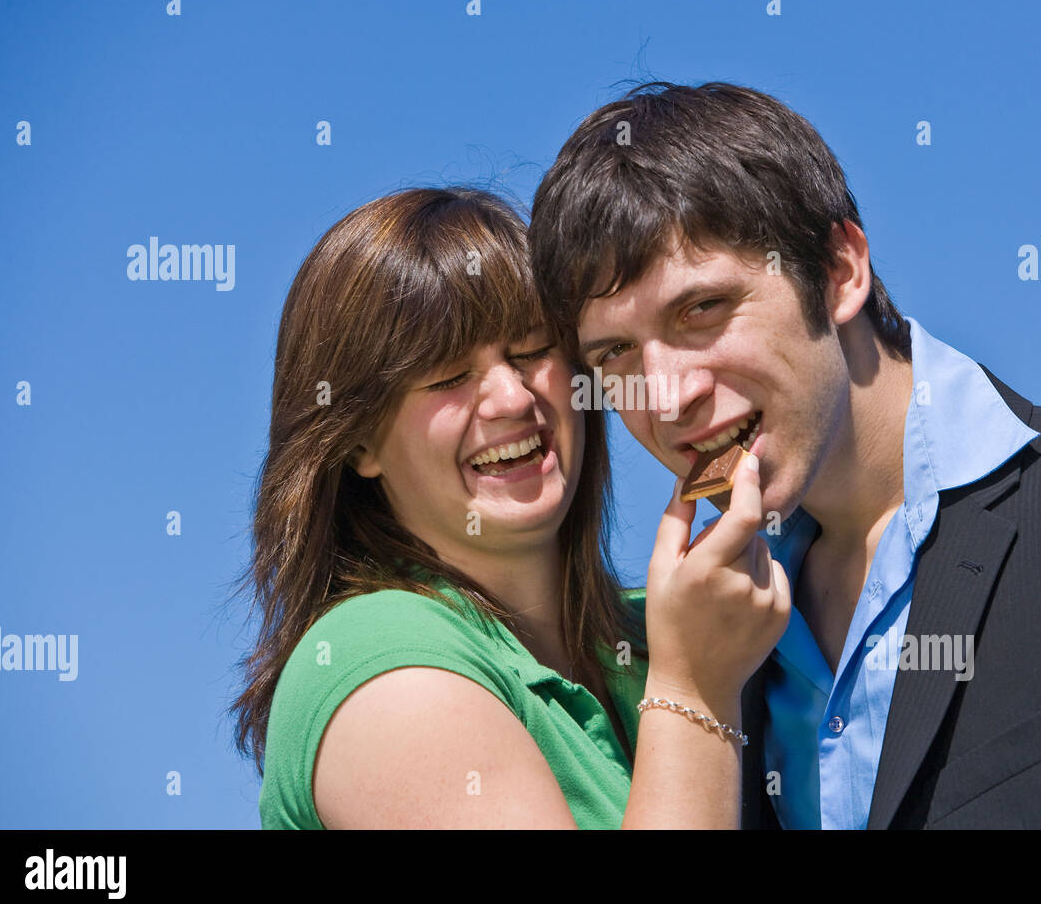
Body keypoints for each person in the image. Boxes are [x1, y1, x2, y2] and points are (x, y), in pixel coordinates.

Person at [527, 81, 1041, 829]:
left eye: (701, 310)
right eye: (616, 353)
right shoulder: (709, 639)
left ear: (840, 271)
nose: (664, 399)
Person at [229, 186, 790, 829]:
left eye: (530, 352)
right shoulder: (386, 673)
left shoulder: (683, 628)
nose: (510, 399)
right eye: (446, 376)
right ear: (359, 441)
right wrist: (694, 691)